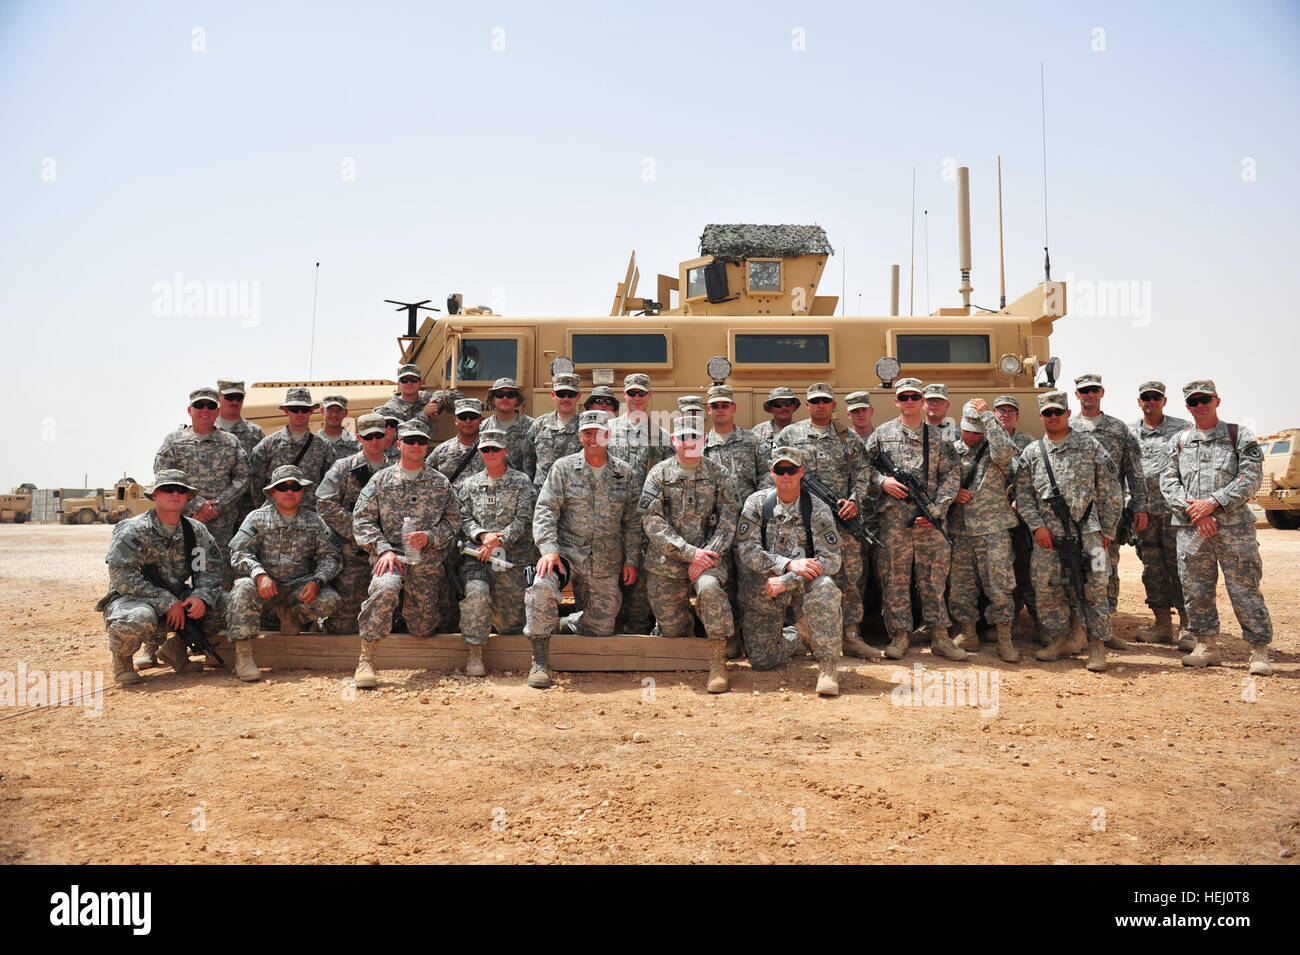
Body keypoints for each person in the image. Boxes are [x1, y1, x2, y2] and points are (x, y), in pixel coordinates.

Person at [1161, 380, 1273, 676]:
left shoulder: (1238, 435)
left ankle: (1258, 649)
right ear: (1187, 407)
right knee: (1196, 589)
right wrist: (1195, 511)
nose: (1200, 405)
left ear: (1217, 400)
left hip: (1235, 529)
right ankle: (1206, 645)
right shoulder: (1179, 440)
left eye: (1205, 399)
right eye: (1193, 401)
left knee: (1245, 588)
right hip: (1192, 529)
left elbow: (1250, 477)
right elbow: (1168, 482)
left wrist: (1213, 503)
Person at [524, 410, 640, 689]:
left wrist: (631, 559)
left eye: (598, 432)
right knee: (540, 587)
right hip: (565, 554)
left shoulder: (624, 473)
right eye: (587, 433)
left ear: (608, 435)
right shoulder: (563, 468)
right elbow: (545, 511)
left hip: (605, 557)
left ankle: (568, 623)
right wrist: (549, 549)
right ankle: (539, 659)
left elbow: (633, 521)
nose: (593, 438)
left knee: (601, 628)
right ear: (580, 436)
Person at [1015, 391, 1123, 672]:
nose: (1053, 417)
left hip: (1091, 535)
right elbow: (1024, 495)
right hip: (1047, 538)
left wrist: (1108, 529)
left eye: (1058, 412)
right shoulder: (1032, 453)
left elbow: (1111, 490)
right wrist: (1037, 526)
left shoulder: (1090, 446)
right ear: (1041, 417)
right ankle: (1059, 640)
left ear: (1067, 414)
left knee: (1097, 587)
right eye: (1047, 413)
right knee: (1047, 588)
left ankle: (1097, 647)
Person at [353, 421, 461, 689]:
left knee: (422, 629)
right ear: (398, 444)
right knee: (385, 587)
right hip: (390, 560)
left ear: (427, 446)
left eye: (421, 442)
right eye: (410, 441)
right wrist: (383, 549)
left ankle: (402, 617)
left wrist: (430, 537)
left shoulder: (440, 482)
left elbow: (453, 521)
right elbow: (362, 521)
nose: (416, 446)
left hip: (426, 564)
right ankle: (367, 659)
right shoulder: (380, 480)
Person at [863, 378, 966, 661]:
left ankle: (940, 637)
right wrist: (883, 482)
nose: (909, 401)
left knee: (934, 580)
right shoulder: (881, 435)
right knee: (894, 579)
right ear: (896, 401)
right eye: (903, 397)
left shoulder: (938, 438)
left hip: (929, 521)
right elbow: (864, 468)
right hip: (893, 521)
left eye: (914, 397)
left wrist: (936, 509)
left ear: (922, 402)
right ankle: (899, 635)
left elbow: (952, 476)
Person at [773, 383, 876, 659]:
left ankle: (851, 635)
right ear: (807, 405)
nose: (820, 405)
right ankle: (806, 637)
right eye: (815, 401)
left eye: (825, 401)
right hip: (799, 522)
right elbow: (775, 472)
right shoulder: (789, 435)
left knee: (849, 579)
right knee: (801, 579)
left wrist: (854, 500)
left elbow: (863, 473)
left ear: (833, 405)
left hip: (841, 521)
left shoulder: (848, 438)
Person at [98, 470, 225, 685]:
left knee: (226, 606)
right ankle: (122, 661)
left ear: (188, 497)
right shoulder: (134, 530)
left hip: (178, 597)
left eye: (181, 490)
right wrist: (165, 601)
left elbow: (208, 569)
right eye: (168, 489)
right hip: (133, 598)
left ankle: (175, 651)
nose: (175, 494)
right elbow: (122, 574)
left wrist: (201, 597)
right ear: (155, 495)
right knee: (139, 617)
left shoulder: (196, 531)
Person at [734, 447, 843, 696]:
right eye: (780, 470)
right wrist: (787, 565)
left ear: (801, 472)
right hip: (767, 585)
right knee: (762, 661)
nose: (786, 476)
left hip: (801, 583)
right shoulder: (758, 503)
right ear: (772, 473)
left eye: (791, 470)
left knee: (826, 587)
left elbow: (832, 559)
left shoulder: (816, 508)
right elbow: (747, 552)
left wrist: (789, 578)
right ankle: (801, 633)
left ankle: (828, 666)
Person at [640, 416, 739, 693]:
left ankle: (718, 661)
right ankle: (697, 623)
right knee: (672, 629)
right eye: (682, 438)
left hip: (710, 559)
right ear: (674, 441)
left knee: (708, 589)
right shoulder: (658, 474)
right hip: (669, 561)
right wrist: (690, 553)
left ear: (704, 441)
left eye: (694, 437)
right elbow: (652, 522)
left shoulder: (720, 474)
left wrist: (706, 555)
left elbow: (729, 518)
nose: (688, 443)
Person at [228, 465, 342, 682]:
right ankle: (243, 656)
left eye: (295, 487)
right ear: (272, 492)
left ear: (302, 491)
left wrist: (318, 581)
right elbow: (239, 552)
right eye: (282, 487)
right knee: (241, 588)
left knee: (330, 600)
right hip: (265, 588)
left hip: (298, 589)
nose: (289, 491)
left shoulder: (315, 522)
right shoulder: (256, 519)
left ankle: (291, 615)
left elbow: (330, 557)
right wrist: (259, 574)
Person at [152, 386, 249, 607]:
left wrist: (216, 507)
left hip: (221, 524)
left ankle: (219, 628)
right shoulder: (174, 442)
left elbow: (243, 477)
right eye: (199, 405)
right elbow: (162, 474)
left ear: (217, 411)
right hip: (183, 521)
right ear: (190, 410)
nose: (205, 409)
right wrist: (197, 505)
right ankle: (170, 625)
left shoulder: (230, 442)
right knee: (173, 574)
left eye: (210, 406)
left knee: (219, 573)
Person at [455, 428, 538, 677]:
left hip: (512, 559)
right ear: (480, 452)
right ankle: (475, 651)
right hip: (479, 556)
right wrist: (482, 536)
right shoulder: (469, 485)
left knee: (510, 624)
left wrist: (499, 541)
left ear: (505, 451)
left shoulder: (522, 482)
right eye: (485, 449)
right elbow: (463, 517)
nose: (490, 453)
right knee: (477, 593)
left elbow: (524, 518)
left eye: (495, 449)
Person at [1070, 373, 1147, 635]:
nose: (1089, 394)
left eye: (1094, 390)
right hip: (1075, 513)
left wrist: (1140, 506)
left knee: (1106, 567)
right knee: (1077, 567)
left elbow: (1134, 470)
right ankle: (1079, 627)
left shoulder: (1118, 428)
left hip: (1108, 512)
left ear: (1102, 393)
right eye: (1084, 390)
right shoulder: (1067, 427)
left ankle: (1106, 627)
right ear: (1077, 394)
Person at [947, 401, 1020, 661]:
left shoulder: (996, 450)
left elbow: (1005, 456)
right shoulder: (952, 451)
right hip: (960, 530)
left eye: (977, 432)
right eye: (967, 431)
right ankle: (968, 633)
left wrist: (990, 418)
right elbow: (939, 482)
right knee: (960, 587)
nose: (970, 437)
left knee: (999, 585)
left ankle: (1004, 638)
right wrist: (953, 495)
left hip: (993, 529)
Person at [1127, 381, 1191, 646]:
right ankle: (1162, 624)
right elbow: (1126, 471)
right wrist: (1132, 505)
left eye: (1156, 397)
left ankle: (1187, 627)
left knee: (1180, 567)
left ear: (1164, 400)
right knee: (1152, 569)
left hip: (1174, 512)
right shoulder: (1129, 432)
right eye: (1146, 398)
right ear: (1139, 401)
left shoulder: (1183, 429)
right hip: (1144, 513)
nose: (1150, 402)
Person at [607, 374, 672, 634]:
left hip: (645, 519)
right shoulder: (608, 432)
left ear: (649, 395)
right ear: (624, 395)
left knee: (641, 579)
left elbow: (667, 481)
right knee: (611, 573)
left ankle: (638, 632)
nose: (636, 398)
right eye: (632, 393)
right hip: (613, 516)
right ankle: (609, 630)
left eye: (641, 393)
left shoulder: (662, 436)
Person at [315, 413, 390, 634]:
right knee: (343, 625)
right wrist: (362, 533)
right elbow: (324, 503)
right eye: (369, 437)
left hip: (387, 554)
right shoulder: (343, 467)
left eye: (379, 435)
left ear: (386, 436)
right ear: (359, 437)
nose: (374, 441)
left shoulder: (395, 469)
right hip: (352, 553)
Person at [247, 387, 334, 510]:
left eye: (304, 410)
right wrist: (267, 508)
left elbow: (329, 485)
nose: (300, 414)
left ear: (311, 411)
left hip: (310, 515)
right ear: (286, 411)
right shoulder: (268, 444)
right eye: (294, 409)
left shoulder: (324, 446)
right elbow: (255, 482)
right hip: (275, 517)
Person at [994, 394, 1037, 631]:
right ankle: (1004, 621)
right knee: (999, 569)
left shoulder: (1027, 441)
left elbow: (1033, 475)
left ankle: (1031, 617)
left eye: (1010, 411)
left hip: (1021, 516)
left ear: (1017, 416)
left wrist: (1022, 498)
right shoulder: (986, 439)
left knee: (1025, 566)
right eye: (1001, 410)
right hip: (993, 516)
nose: (1005, 415)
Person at [216, 379, 265, 532]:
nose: (235, 401)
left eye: (239, 398)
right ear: (219, 398)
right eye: (230, 397)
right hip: (215, 509)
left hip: (247, 509)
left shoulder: (255, 433)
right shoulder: (207, 429)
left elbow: (262, 471)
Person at [529, 372, 583, 489]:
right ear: (553, 395)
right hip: (542, 494)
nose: (566, 399)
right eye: (561, 394)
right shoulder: (539, 424)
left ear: (578, 396)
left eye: (571, 394)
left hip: (574, 495)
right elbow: (528, 460)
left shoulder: (584, 426)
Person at [481, 377, 535, 479]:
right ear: (493, 399)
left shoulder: (532, 426)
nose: (505, 398)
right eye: (500, 395)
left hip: (524, 488)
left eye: (510, 395)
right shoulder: (483, 427)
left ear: (516, 399)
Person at [429, 398, 485, 487]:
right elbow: (425, 475)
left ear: (481, 420)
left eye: (473, 417)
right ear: (455, 420)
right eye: (463, 417)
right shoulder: (442, 450)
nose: (468, 421)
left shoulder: (491, 450)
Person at [752, 387, 801, 466]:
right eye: (778, 404)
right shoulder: (758, 432)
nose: (783, 407)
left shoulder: (803, 432)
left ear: (794, 406)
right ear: (771, 408)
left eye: (788, 404)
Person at [317, 394, 360, 463]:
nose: (334, 414)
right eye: (330, 410)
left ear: (345, 413)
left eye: (339, 410)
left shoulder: (356, 443)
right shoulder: (313, 442)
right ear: (322, 411)